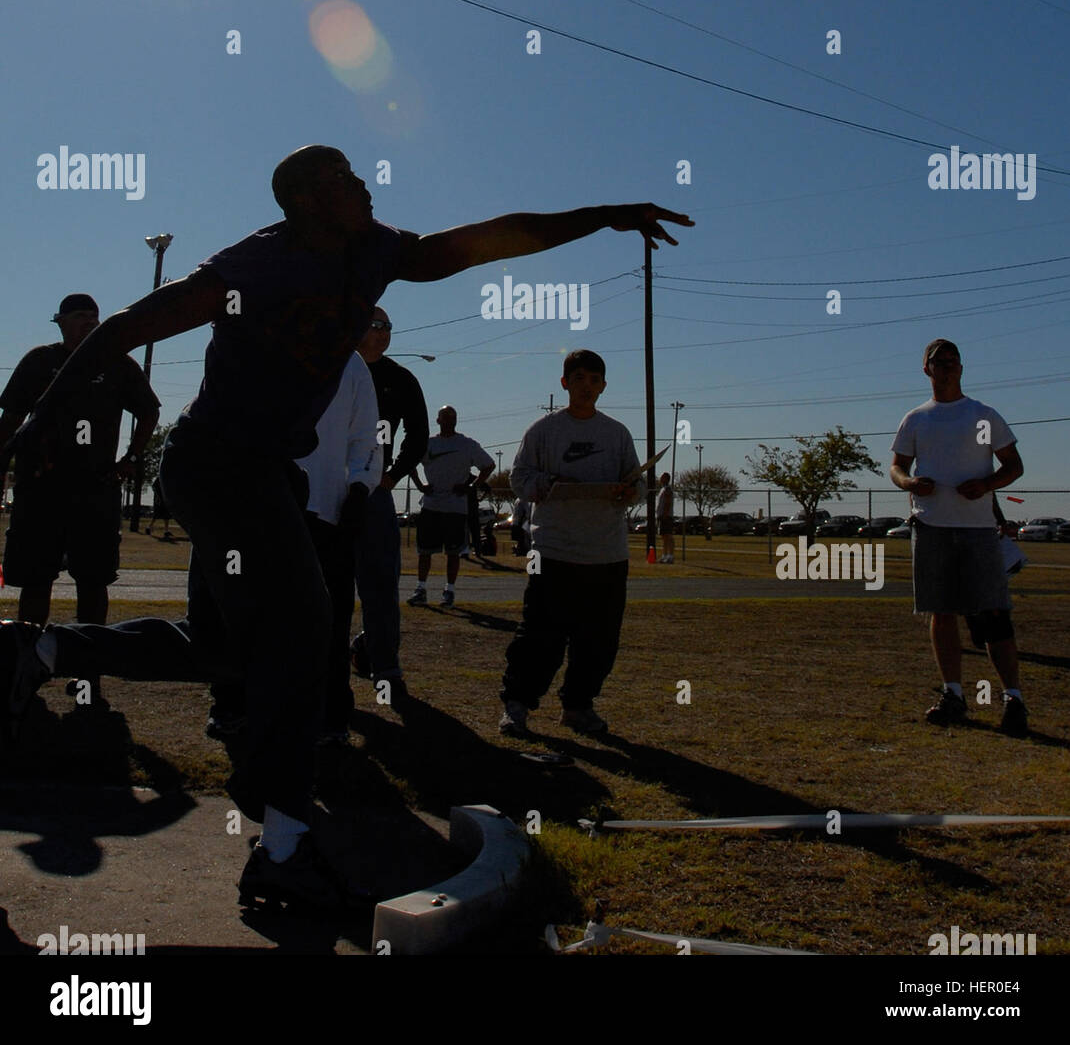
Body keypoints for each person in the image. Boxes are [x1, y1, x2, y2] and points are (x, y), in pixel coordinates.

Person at [0, 144, 692, 911]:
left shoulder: (378, 250)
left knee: (234, 649)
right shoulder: (258, 262)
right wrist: (41, 415)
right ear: (301, 201)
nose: (361, 183)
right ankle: (284, 848)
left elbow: (491, 238)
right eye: (340, 177)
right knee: (304, 627)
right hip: (215, 464)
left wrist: (602, 217)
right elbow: (131, 325)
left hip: (264, 474)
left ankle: (39, 648)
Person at [499, 349, 640, 738]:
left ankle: (578, 706)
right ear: (564, 383)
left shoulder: (617, 434)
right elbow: (519, 479)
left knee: (598, 640)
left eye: (595, 380)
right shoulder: (543, 432)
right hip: (552, 552)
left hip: (607, 556)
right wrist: (551, 487)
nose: (587, 387)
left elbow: (637, 484)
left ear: (604, 387)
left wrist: (629, 491)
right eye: (579, 378)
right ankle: (517, 705)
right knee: (540, 634)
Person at [890, 338, 1028, 735]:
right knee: (941, 612)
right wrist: (910, 482)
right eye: (939, 362)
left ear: (962, 368)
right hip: (931, 528)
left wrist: (986, 485)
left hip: (978, 531)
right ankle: (954, 694)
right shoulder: (916, 419)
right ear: (926, 370)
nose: (948, 367)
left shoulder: (982, 416)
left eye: (954, 361)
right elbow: (897, 466)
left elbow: (1014, 464)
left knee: (994, 613)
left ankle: (1013, 699)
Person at [0, 294, 159, 627]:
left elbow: (149, 411)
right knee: (35, 580)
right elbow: (11, 418)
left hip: (95, 488)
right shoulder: (39, 362)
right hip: (41, 489)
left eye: (94, 316)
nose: (90, 322)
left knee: (93, 580)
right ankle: (30, 660)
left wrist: (130, 458)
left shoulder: (116, 362)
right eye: (80, 315)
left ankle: (88, 670)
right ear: (61, 322)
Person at [297, 351, 382, 744]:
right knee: (267, 616)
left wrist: (360, 487)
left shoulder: (351, 365)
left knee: (331, 618)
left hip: (330, 512)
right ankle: (248, 709)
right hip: (272, 507)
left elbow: (366, 436)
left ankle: (331, 715)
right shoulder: (269, 342)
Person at [350, 307, 429, 704]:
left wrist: (392, 476)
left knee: (380, 583)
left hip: (374, 495)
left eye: (388, 327)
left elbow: (418, 435)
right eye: (374, 324)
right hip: (325, 491)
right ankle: (319, 668)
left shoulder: (399, 379)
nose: (382, 333)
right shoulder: (332, 366)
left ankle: (386, 669)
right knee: (323, 584)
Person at [409, 407, 493, 607]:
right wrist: (421, 485)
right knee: (425, 551)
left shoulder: (466, 444)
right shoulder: (429, 444)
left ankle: (449, 591)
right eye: (445, 417)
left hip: (456, 507)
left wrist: (471, 487)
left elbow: (488, 465)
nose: (449, 420)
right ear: (438, 420)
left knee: (453, 552)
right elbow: (409, 463)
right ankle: (421, 589)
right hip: (431, 506)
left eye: (453, 417)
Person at [655, 471, 674, 563]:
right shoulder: (662, 489)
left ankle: (670, 555)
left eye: (662, 477)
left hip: (666, 516)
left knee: (668, 536)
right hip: (661, 516)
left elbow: (667, 503)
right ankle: (664, 555)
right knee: (663, 537)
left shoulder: (667, 489)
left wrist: (665, 514)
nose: (660, 479)